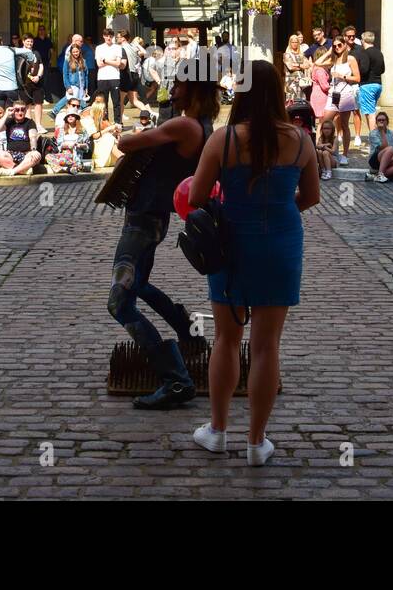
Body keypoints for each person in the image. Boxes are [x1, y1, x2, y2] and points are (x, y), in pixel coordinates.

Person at [189, 61, 319, 465]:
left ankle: (218, 430)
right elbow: (311, 196)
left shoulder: (223, 140)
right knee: (267, 346)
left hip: (231, 246)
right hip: (280, 243)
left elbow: (194, 197)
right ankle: (256, 442)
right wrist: (280, 212)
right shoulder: (299, 140)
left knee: (227, 340)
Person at [108, 76, 220, 410]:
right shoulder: (198, 124)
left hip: (144, 221)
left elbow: (127, 144)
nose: (173, 89)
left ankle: (176, 379)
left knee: (119, 303)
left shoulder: (185, 125)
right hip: (151, 217)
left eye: (180, 85)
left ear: (195, 90)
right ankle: (187, 332)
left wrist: (126, 134)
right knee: (138, 284)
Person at [320, 36, 360, 162]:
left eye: (339, 45)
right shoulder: (333, 59)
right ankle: (324, 148)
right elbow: (317, 63)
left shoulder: (350, 59)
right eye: (335, 46)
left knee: (344, 124)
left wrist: (342, 76)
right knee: (324, 122)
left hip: (345, 93)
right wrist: (329, 51)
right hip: (333, 94)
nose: (337, 48)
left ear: (345, 45)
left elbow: (357, 78)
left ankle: (345, 154)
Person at [0, 34, 37, 110]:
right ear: (2, 42)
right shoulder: (10, 50)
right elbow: (28, 51)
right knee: (12, 113)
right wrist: (31, 62)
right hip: (11, 88)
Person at [0, 101, 41, 175]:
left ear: (25, 111)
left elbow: (33, 137)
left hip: (26, 154)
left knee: (37, 155)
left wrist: (34, 149)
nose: (20, 112)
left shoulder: (30, 122)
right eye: (17, 110)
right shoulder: (9, 121)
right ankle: (23, 170)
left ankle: (13, 171)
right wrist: (6, 114)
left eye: (22, 109)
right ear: (13, 111)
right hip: (11, 154)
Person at [93, 28, 126, 124]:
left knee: (116, 102)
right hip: (102, 77)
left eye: (110, 36)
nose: (109, 38)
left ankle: (118, 122)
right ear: (103, 36)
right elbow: (99, 64)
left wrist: (105, 61)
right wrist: (112, 62)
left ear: (113, 37)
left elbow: (118, 64)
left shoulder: (117, 47)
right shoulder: (99, 48)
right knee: (103, 102)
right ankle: (105, 122)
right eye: (107, 36)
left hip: (114, 77)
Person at [356, 32, 385, 134]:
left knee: (370, 114)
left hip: (367, 85)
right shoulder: (379, 53)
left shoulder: (365, 53)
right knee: (370, 111)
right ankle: (373, 137)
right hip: (378, 84)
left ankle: (374, 139)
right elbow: (382, 70)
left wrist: (356, 70)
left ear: (363, 40)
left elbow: (364, 69)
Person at [364, 111, 393, 183]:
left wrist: (391, 159)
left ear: (387, 122)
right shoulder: (373, 133)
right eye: (379, 120)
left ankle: (375, 176)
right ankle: (380, 174)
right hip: (375, 159)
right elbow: (384, 147)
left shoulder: (392, 133)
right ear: (376, 122)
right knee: (390, 148)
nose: (381, 121)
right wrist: (382, 131)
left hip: (389, 159)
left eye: (383, 120)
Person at [282, 33, 311, 104]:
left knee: (301, 101)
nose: (294, 44)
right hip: (291, 82)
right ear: (290, 43)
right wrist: (301, 66)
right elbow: (291, 67)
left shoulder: (301, 54)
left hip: (301, 82)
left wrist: (297, 65)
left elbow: (307, 65)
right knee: (291, 102)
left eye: (296, 42)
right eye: (293, 42)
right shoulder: (286, 54)